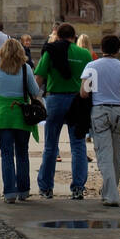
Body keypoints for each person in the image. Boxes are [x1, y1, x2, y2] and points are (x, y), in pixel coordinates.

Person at [34, 23, 92, 199]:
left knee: (51, 145)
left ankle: (46, 187)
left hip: (55, 99)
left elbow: (39, 77)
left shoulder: (50, 51)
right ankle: (78, 187)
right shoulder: (85, 54)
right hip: (77, 101)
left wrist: (35, 99)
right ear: (74, 37)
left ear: (57, 36)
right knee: (78, 145)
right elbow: (89, 81)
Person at [0, 38, 42, 203]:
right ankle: (23, 190)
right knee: (22, 153)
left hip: (3, 115)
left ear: (2, 52)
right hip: (22, 116)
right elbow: (35, 91)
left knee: (7, 154)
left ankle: (9, 192)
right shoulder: (26, 69)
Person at [80, 34, 120, 206]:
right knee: (116, 155)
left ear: (101, 48)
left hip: (100, 111)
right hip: (119, 111)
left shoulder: (92, 66)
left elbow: (84, 93)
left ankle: (111, 195)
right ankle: (109, 190)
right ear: (118, 49)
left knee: (104, 155)